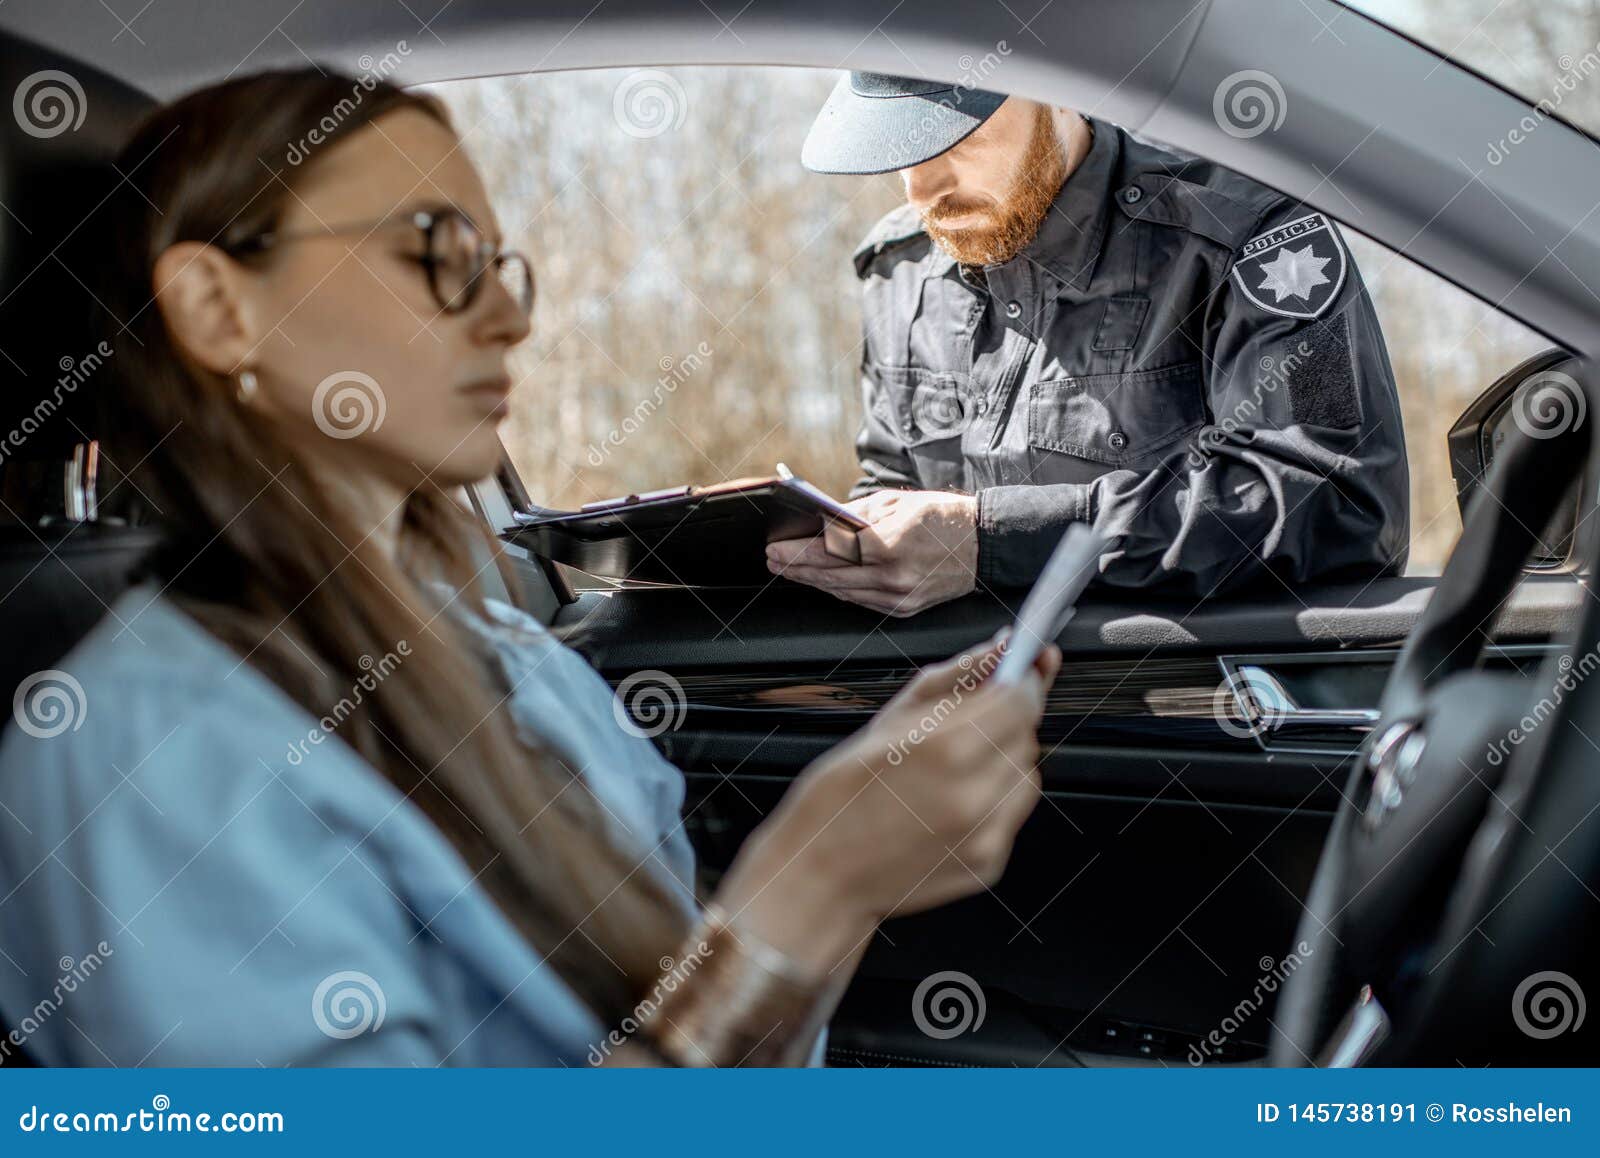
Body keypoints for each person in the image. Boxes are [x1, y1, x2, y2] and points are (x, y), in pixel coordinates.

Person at [0, 70, 1059, 1067]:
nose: (511, 320)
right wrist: (817, 886)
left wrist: (851, 838)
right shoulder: (153, 748)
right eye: (436, 256)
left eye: (500, 268)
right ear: (220, 310)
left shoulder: (495, 648)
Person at [766, 73, 1410, 616]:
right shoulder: (899, 269)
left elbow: (1335, 499)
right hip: (957, 723)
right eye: (897, 149)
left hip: (1192, 720)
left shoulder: (1254, 240)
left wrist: (994, 542)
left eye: (954, 136)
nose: (920, 189)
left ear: (1060, 87)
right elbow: (892, 486)